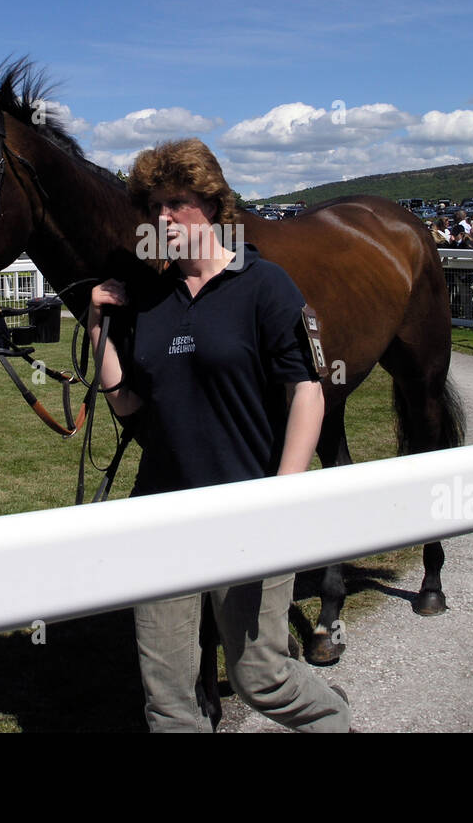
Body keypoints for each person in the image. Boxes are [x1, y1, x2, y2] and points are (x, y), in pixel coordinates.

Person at [87, 138, 350, 734]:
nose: (164, 218)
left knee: (262, 677)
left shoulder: (265, 285)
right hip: (161, 515)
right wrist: (98, 324)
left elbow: (306, 389)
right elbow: (128, 403)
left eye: (178, 202)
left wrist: (284, 491)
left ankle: (336, 723)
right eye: (155, 206)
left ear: (213, 206)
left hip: (247, 508)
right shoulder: (150, 298)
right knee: (169, 701)